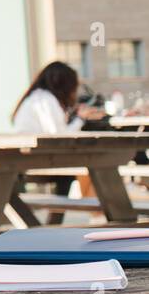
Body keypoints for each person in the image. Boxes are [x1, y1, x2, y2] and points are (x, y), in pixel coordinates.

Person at [11, 60, 106, 201]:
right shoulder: (46, 99)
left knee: (88, 164)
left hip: (25, 158)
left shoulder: (36, 97)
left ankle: (63, 211)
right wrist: (81, 118)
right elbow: (60, 137)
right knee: (95, 162)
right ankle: (98, 211)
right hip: (34, 160)